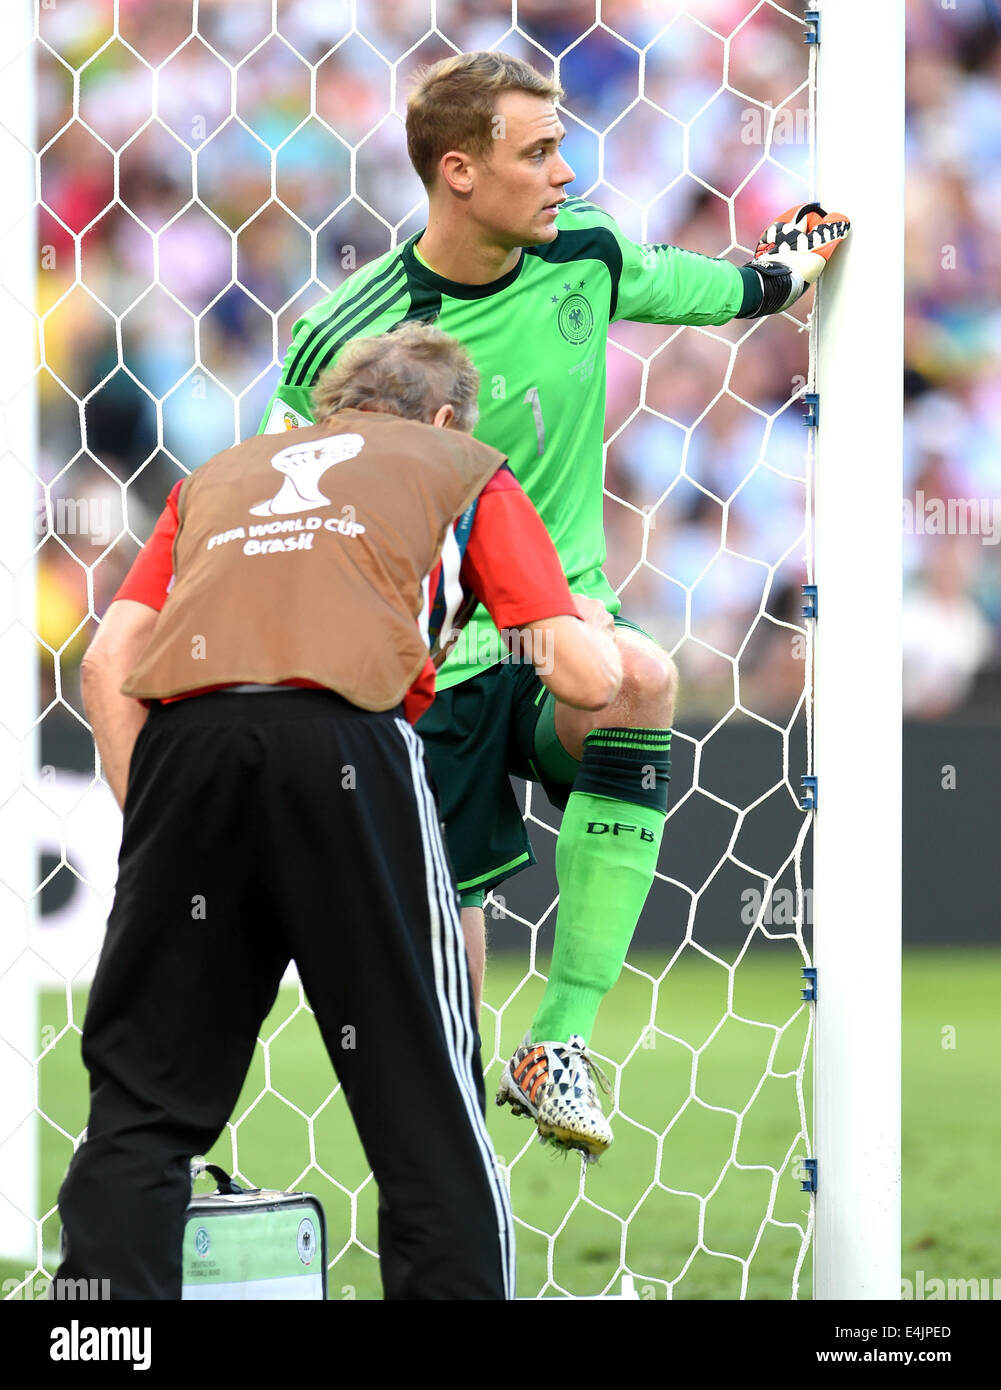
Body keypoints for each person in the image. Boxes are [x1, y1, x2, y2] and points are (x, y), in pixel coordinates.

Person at [259, 50, 850, 1161]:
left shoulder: (587, 254)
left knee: (639, 677)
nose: (566, 173)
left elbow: (732, 290)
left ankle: (562, 1038)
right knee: (445, 1023)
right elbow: (288, 499)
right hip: (425, 666)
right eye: (536, 153)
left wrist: (793, 257)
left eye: (562, 146)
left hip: (552, 629)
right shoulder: (355, 331)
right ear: (458, 172)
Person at [54, 322, 622, 1301]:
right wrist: (593, 631)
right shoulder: (460, 463)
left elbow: (108, 662)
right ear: (445, 415)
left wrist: (159, 829)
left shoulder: (216, 475)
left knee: (142, 1107)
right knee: (424, 1103)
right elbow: (579, 674)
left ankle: (100, 1333)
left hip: (188, 750)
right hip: (344, 741)